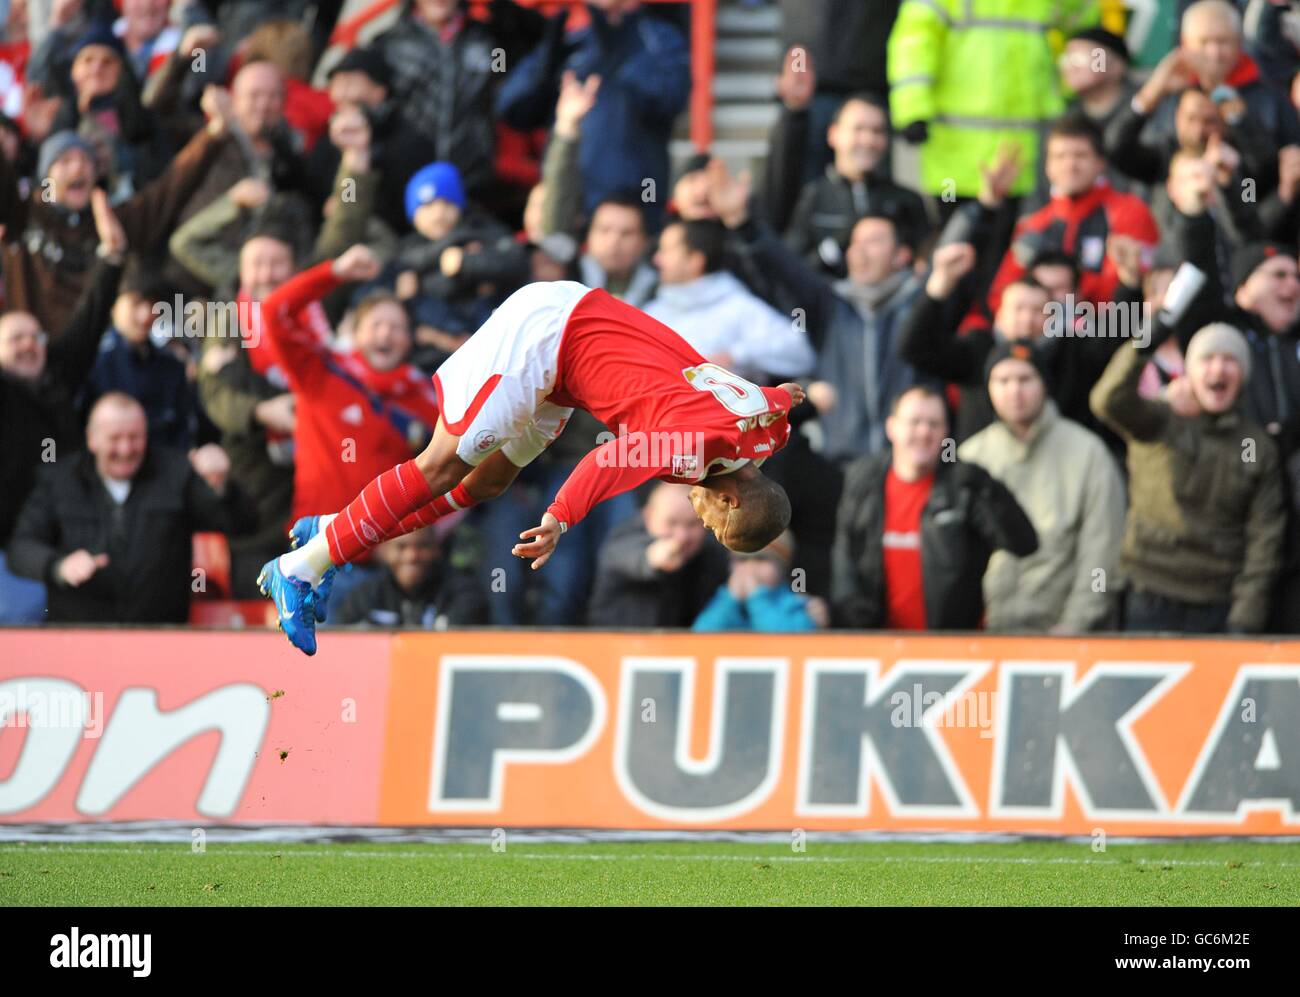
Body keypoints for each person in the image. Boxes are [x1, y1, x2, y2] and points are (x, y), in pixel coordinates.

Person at [260, 278, 804, 654]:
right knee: (444, 464)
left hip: (572, 368)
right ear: (731, 498)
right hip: (550, 334)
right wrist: (560, 518)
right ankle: (297, 570)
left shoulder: (768, 434)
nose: (701, 519)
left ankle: (331, 534)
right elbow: (607, 458)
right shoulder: (694, 449)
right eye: (715, 522)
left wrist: (789, 394)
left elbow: (779, 396)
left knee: (490, 480)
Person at [1093, 320, 1285, 633]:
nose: (1218, 370)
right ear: (1189, 371)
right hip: (1149, 592)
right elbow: (1108, 400)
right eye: (1207, 359)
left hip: (1218, 604)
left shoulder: (1254, 445)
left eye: (1230, 360)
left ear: (1244, 374)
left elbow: (1264, 539)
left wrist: (1245, 618)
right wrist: (1145, 341)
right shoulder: (1160, 419)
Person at [7, 392, 254, 623]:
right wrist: (58, 566)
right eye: (115, 438)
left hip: (161, 635)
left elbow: (242, 524)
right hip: (78, 636)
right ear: (92, 439)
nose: (125, 449)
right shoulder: (59, 480)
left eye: (134, 437)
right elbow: (20, 549)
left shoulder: (176, 474)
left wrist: (223, 487)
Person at [831, 385, 1038, 629]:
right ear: (891, 427)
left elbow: (1023, 544)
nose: (923, 432)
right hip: (879, 648)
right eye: (914, 422)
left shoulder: (965, 485)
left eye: (933, 424)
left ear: (945, 432)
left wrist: (987, 487)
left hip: (952, 647)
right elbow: (844, 559)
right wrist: (855, 624)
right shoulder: (862, 480)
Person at [958, 340, 1126, 633]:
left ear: (1044, 384)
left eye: (1025, 379)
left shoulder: (1088, 452)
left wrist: (1074, 625)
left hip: (1062, 635)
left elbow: (1102, 553)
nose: (1014, 391)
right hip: (984, 639)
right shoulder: (971, 456)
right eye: (1002, 380)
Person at [589, 483, 731, 628]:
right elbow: (630, 556)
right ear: (649, 516)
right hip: (615, 644)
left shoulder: (713, 551)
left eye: (692, 524)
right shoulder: (622, 539)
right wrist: (652, 557)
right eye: (671, 523)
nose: (682, 536)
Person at [331, 526, 488, 628]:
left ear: (437, 549)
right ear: (384, 551)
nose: (412, 556)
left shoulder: (463, 592)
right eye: (401, 547)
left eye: (422, 546)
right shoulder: (364, 596)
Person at [693, 530, 824, 632]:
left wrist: (757, 598)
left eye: (761, 559)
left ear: (782, 567)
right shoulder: (724, 599)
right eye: (742, 560)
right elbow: (701, 634)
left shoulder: (797, 604)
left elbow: (786, 640)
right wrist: (729, 599)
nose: (750, 568)